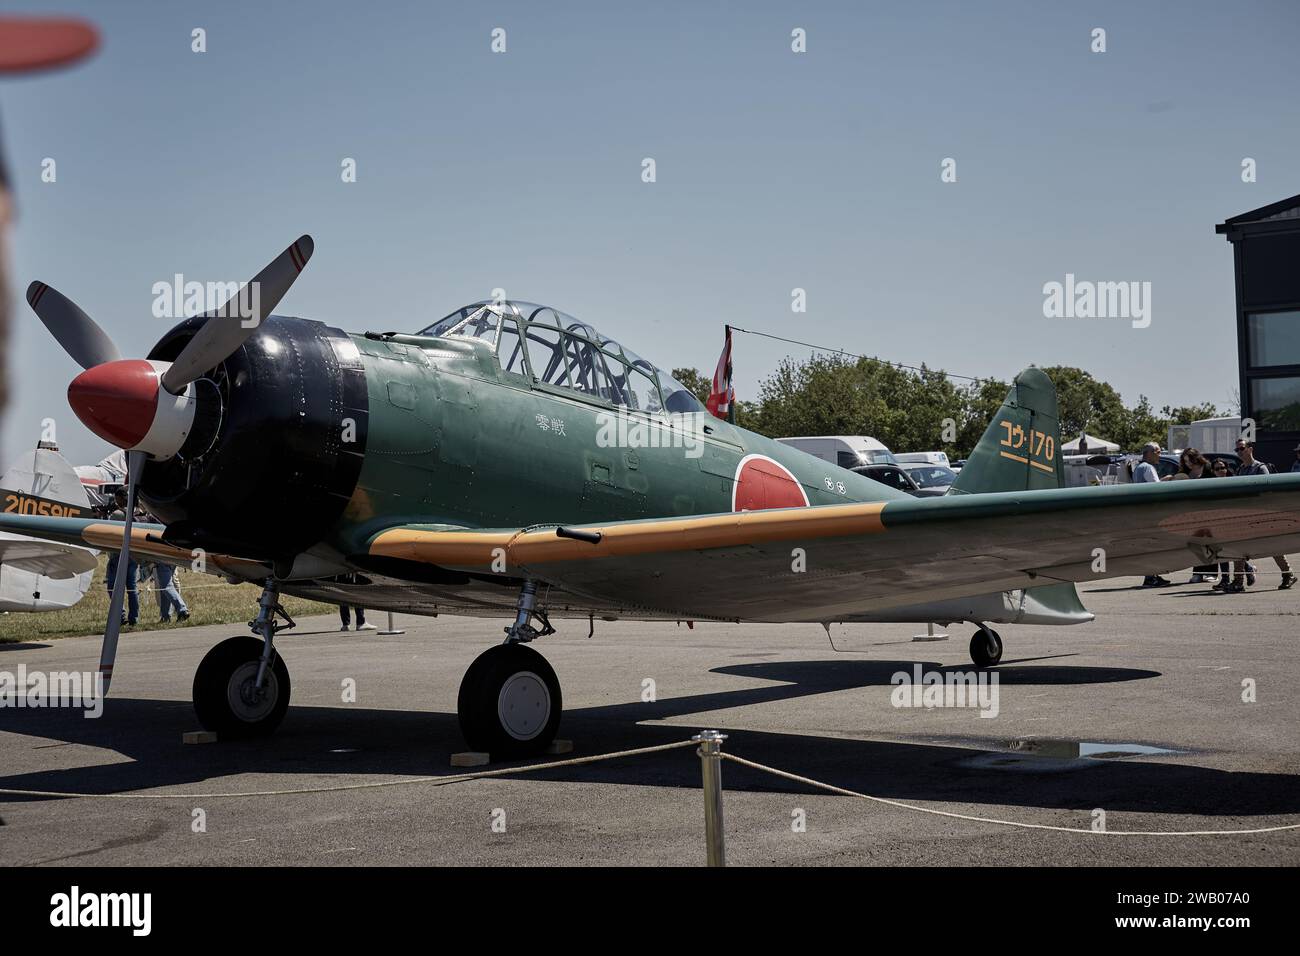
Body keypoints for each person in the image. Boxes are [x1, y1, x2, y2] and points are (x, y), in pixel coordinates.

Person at [1225, 440, 1297, 592]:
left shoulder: (1260, 468)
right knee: (1238, 547)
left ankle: (1288, 574)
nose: (1239, 452)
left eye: (1242, 448)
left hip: (1262, 515)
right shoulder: (1241, 469)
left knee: (1271, 546)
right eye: (1236, 449)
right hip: (1245, 515)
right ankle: (1238, 581)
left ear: (1250, 449)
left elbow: (1267, 491)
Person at [1132, 442, 1173, 587]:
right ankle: (1152, 577)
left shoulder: (1138, 468)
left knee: (1148, 545)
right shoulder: (1148, 468)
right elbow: (1156, 490)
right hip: (1150, 513)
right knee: (1153, 545)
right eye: (1157, 451)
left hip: (1141, 513)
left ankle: (1151, 575)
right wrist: (1167, 481)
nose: (1159, 454)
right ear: (1148, 453)